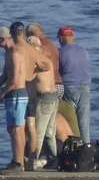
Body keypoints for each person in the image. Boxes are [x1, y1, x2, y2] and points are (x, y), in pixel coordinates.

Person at [0, 24, 38, 171]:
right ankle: (17, 161)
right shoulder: (8, 54)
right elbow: (4, 76)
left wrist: (1, 94)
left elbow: (13, 80)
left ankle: (18, 163)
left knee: (17, 129)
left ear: (4, 39)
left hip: (17, 94)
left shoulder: (15, 53)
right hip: (13, 95)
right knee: (12, 129)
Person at [23, 22, 73, 167]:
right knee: (50, 132)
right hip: (53, 96)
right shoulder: (47, 60)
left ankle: (32, 161)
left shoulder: (36, 60)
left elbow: (28, 78)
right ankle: (57, 159)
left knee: (38, 132)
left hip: (44, 98)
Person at [56, 25, 92, 143]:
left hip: (69, 88)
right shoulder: (84, 51)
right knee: (84, 124)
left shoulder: (59, 53)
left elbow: (57, 73)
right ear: (72, 36)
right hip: (85, 88)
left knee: (71, 122)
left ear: (61, 38)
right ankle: (87, 150)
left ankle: (73, 150)